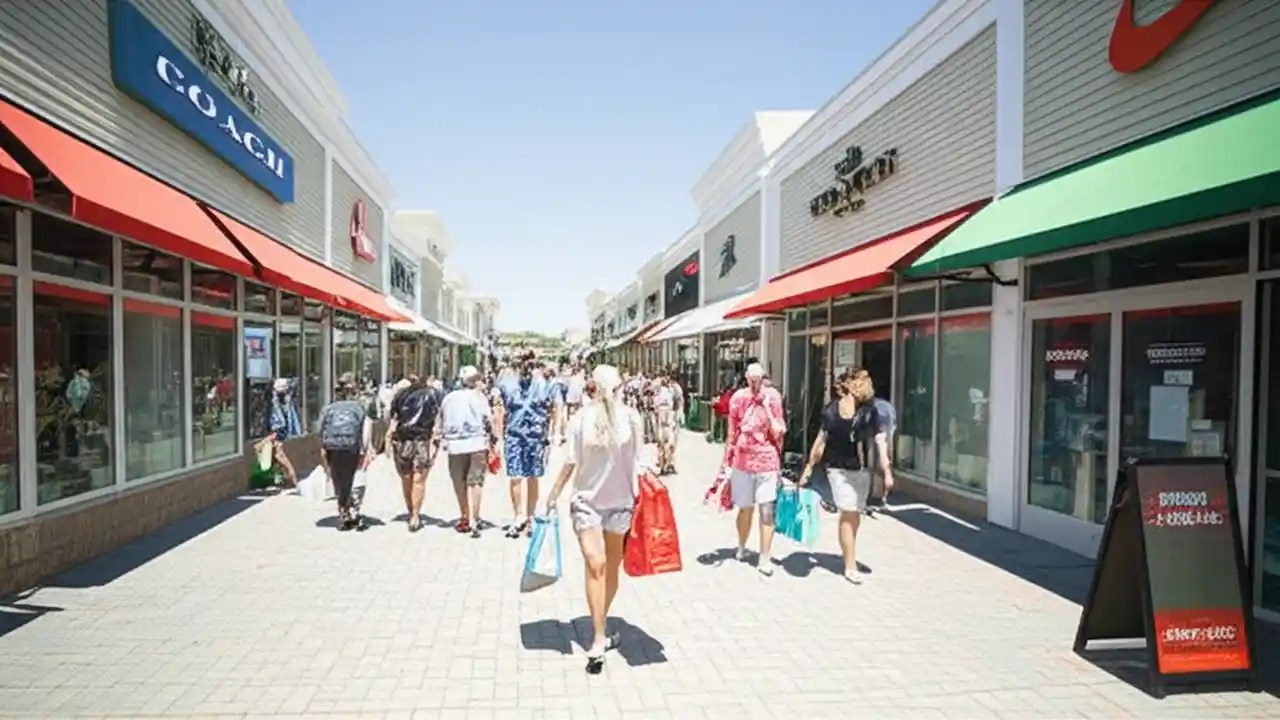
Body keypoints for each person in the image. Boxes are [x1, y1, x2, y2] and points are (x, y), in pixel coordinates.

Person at [545, 364, 642, 675]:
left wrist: (642, 495)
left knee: (612, 566)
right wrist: (554, 494)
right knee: (595, 563)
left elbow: (637, 461)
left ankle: (600, 616)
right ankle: (599, 636)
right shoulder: (580, 419)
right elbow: (570, 461)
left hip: (621, 503)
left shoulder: (631, 418)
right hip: (586, 503)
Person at [799, 369, 893, 584]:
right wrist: (808, 468)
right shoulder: (831, 411)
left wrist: (886, 471)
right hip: (837, 469)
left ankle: (848, 549)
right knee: (848, 510)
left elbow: (881, 441)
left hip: (860, 470)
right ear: (851, 386)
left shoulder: (870, 412)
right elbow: (820, 442)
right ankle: (850, 565)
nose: (867, 388)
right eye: (863, 383)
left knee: (854, 515)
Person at [725, 362, 786, 576]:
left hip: (767, 460)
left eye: (758, 379)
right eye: (751, 379)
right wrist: (726, 461)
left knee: (766, 509)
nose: (755, 383)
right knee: (745, 508)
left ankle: (765, 556)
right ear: (746, 378)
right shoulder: (738, 399)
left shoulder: (773, 397)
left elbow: (779, 431)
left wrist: (767, 407)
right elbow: (732, 432)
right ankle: (741, 545)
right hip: (743, 460)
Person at [497, 357, 556, 538]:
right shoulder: (507, 385)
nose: (526, 373)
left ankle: (530, 516)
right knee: (515, 477)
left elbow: (552, 408)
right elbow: (501, 410)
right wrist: (499, 436)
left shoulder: (543, 386)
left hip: (535, 437)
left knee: (532, 477)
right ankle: (518, 515)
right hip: (514, 435)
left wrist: (551, 432)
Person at [439, 365, 495, 537]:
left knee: (459, 482)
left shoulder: (448, 398)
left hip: (455, 445)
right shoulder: (480, 398)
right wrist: (494, 442)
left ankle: (464, 515)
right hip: (477, 444)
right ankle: (474, 519)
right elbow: (489, 420)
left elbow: (441, 419)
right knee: (476, 482)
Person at [384, 375, 443, 532]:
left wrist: (388, 440)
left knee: (406, 477)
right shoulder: (433, 394)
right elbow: (438, 416)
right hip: (423, 439)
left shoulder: (400, 395)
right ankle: (415, 515)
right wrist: (437, 439)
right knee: (419, 478)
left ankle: (411, 511)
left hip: (404, 440)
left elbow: (393, 419)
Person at [318, 378, 374, 531]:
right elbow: (365, 431)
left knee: (338, 480)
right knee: (353, 478)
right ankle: (354, 511)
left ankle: (343, 512)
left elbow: (320, 429)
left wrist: (323, 448)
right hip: (352, 447)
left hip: (333, 447)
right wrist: (365, 449)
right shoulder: (358, 408)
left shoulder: (328, 409)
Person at [265, 377, 301, 489]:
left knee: (279, 455)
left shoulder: (276, 401)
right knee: (274, 455)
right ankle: (280, 478)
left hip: (277, 430)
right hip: (281, 430)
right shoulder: (287, 400)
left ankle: (293, 479)